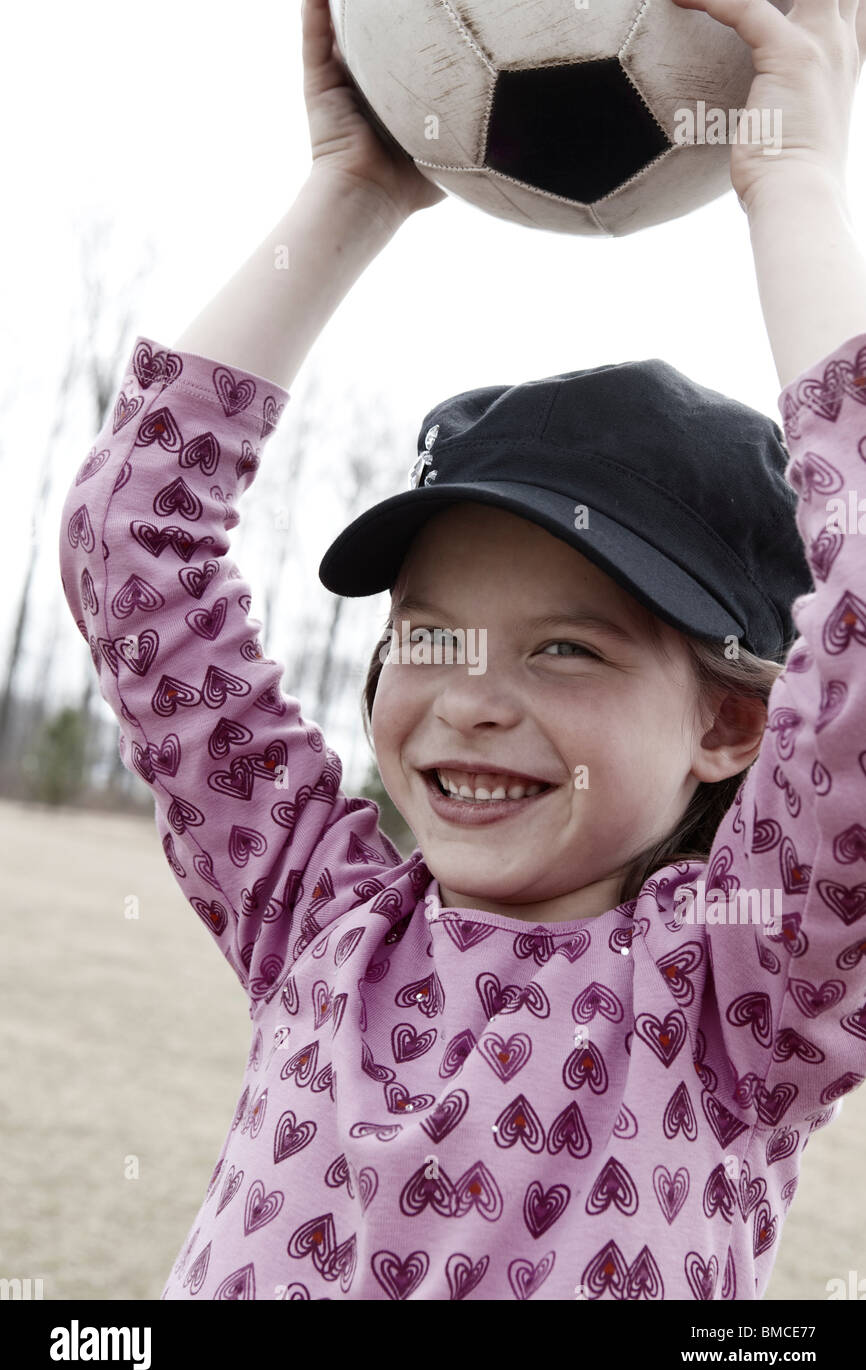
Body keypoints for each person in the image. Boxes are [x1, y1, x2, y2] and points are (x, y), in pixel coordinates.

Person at [58, 0, 866, 1300]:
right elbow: (127, 545)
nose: (466, 703)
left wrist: (797, 190)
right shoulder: (315, 911)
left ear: (728, 720)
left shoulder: (735, 991)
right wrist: (350, 193)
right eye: (428, 633)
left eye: (562, 649)